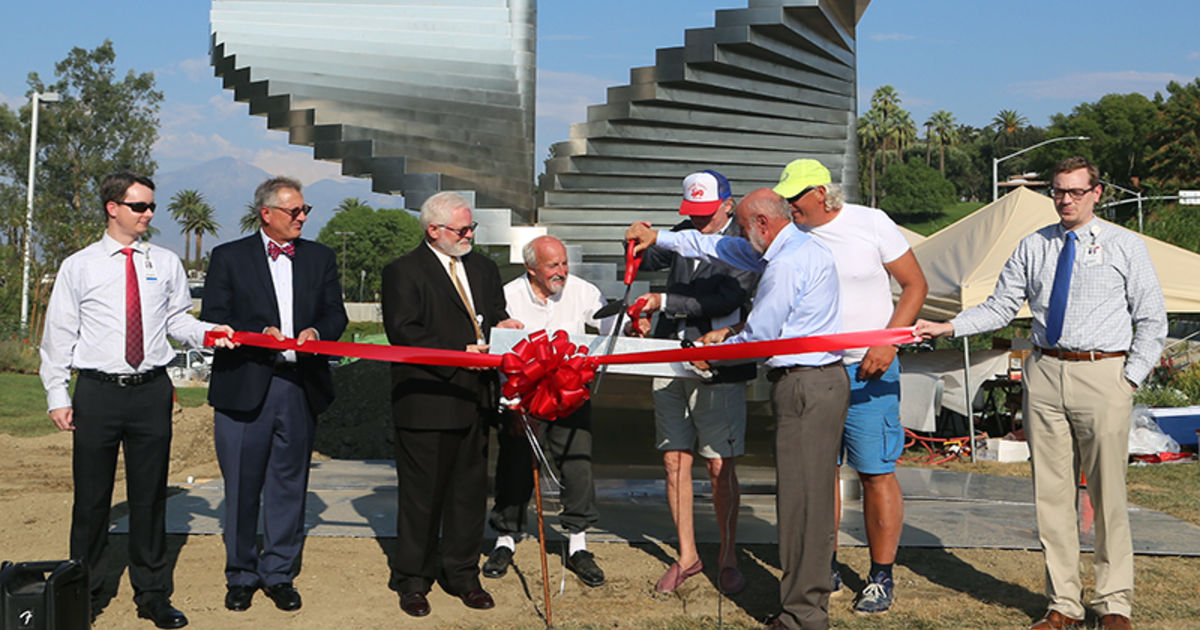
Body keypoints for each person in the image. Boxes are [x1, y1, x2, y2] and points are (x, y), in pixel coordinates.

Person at [915, 156, 1166, 630]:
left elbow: (1152, 319)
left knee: (1109, 495)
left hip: (1104, 373)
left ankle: (1114, 604)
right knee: (1050, 496)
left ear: (1096, 193)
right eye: (1058, 191)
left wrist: (1129, 377)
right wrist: (948, 325)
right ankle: (1063, 604)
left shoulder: (1125, 246)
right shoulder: (1033, 246)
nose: (1065, 200)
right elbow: (1000, 307)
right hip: (1046, 373)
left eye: (1075, 191)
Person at [627, 188, 849, 630]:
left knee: (803, 507)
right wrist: (661, 239)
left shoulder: (784, 263)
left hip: (805, 385)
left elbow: (762, 337)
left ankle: (802, 616)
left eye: (745, 231)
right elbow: (717, 246)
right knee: (807, 504)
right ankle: (804, 606)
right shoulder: (790, 246)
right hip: (812, 384)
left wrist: (717, 349)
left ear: (762, 226)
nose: (741, 241)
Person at [39, 170, 235, 629]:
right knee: (91, 502)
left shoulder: (164, 263)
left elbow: (177, 322)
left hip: (151, 392)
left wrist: (210, 332)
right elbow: (58, 336)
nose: (149, 213)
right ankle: (83, 594)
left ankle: (152, 594)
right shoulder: (79, 266)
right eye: (139, 206)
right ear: (113, 208)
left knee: (149, 500)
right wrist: (56, 394)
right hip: (97, 394)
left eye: (151, 206)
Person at [774, 159, 927, 613]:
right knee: (820, 477)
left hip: (870, 369)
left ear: (821, 193)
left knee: (875, 472)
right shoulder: (790, 235)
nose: (791, 205)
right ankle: (827, 567)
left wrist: (888, 344)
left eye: (797, 197)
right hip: (812, 372)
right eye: (786, 197)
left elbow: (914, 285)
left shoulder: (871, 222)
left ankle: (881, 576)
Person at [201, 176, 348, 614]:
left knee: (289, 485)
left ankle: (279, 573)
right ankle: (241, 575)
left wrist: (316, 332)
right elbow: (214, 316)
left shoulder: (319, 257)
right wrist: (253, 334)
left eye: (305, 211)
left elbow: (335, 314)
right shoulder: (228, 257)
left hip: (297, 386)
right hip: (244, 385)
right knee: (242, 486)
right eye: (294, 211)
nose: (302, 217)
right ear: (267, 213)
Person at [381, 191, 522, 617]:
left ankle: (462, 573)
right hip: (427, 399)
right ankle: (413, 578)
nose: (470, 235)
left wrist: (504, 325)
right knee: (422, 497)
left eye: (472, 227)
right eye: (463, 229)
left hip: (475, 399)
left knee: (468, 493)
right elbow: (403, 332)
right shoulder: (403, 271)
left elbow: (493, 312)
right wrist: (460, 352)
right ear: (434, 230)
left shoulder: (482, 267)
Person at [629, 170, 758, 596]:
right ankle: (687, 555)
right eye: (692, 214)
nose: (699, 222)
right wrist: (636, 237)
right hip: (669, 357)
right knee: (673, 460)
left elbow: (726, 299)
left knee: (720, 464)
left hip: (719, 362)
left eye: (706, 214)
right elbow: (648, 258)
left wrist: (662, 301)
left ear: (727, 204)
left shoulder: (746, 244)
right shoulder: (684, 232)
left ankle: (727, 556)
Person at [483, 235, 612, 587]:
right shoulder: (508, 295)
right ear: (531, 268)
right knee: (514, 465)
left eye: (564, 263)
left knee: (578, 464)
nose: (562, 272)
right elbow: (496, 343)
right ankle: (505, 539)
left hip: (571, 394)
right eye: (553, 265)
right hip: (523, 398)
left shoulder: (582, 290)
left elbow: (606, 323)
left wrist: (629, 322)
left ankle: (578, 544)